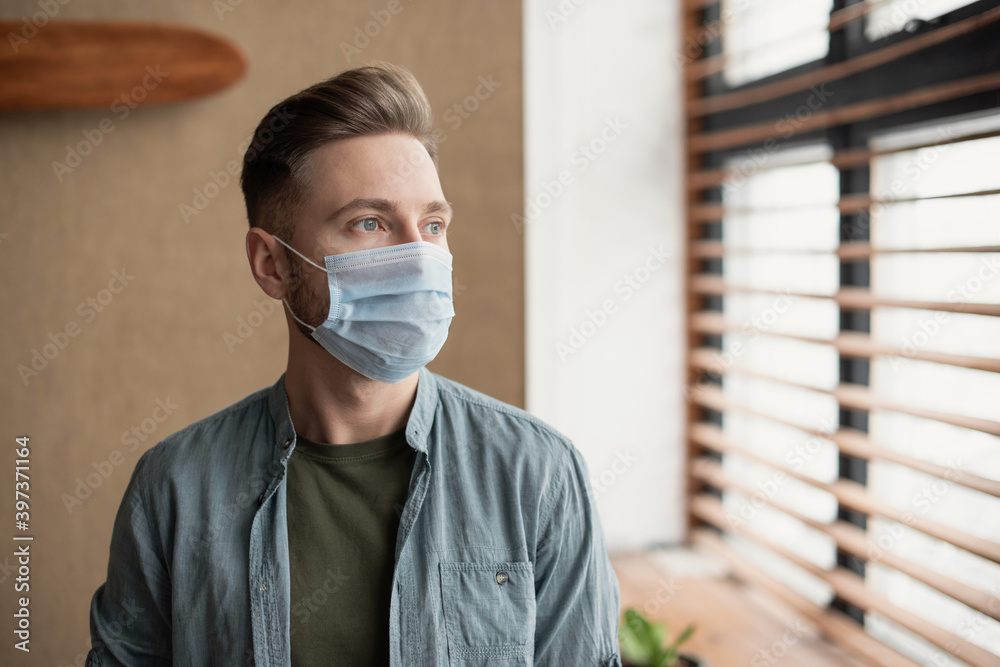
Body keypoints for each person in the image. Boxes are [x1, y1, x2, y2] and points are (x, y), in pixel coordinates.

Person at [87, 63, 622, 667]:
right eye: (369, 223)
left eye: (433, 225)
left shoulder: (538, 474)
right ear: (272, 264)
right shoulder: (176, 489)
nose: (418, 255)